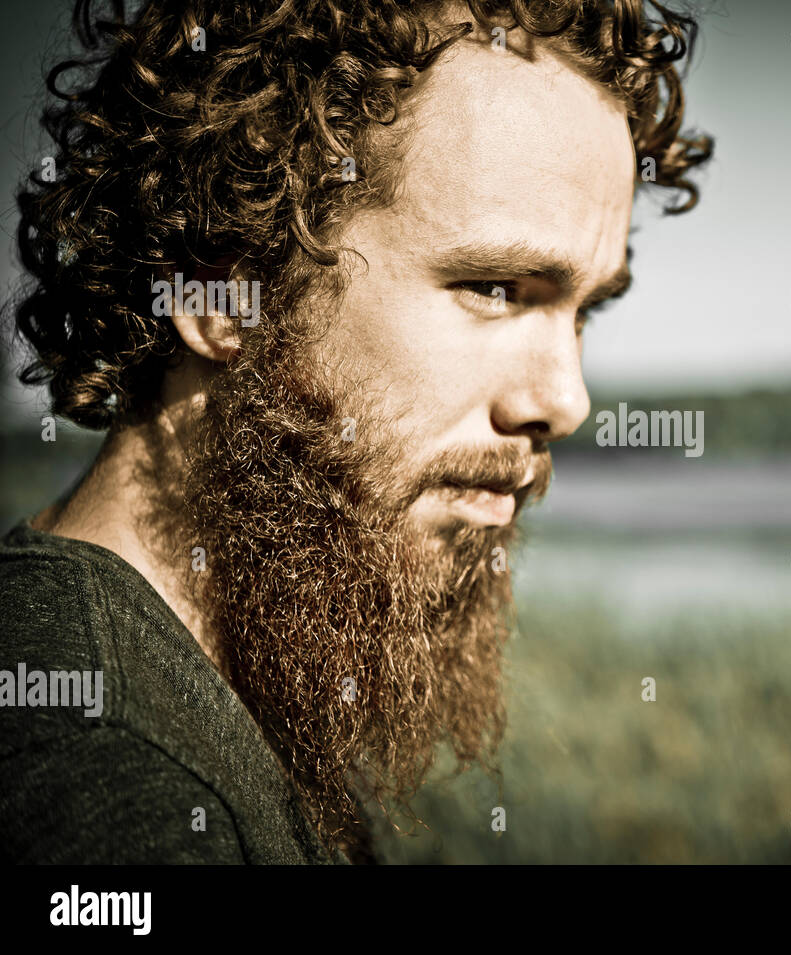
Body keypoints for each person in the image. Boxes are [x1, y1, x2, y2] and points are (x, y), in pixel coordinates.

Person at [0, 0, 712, 864]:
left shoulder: (235, 689)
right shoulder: (109, 791)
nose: (566, 401)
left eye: (584, 310)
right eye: (493, 286)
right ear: (219, 291)